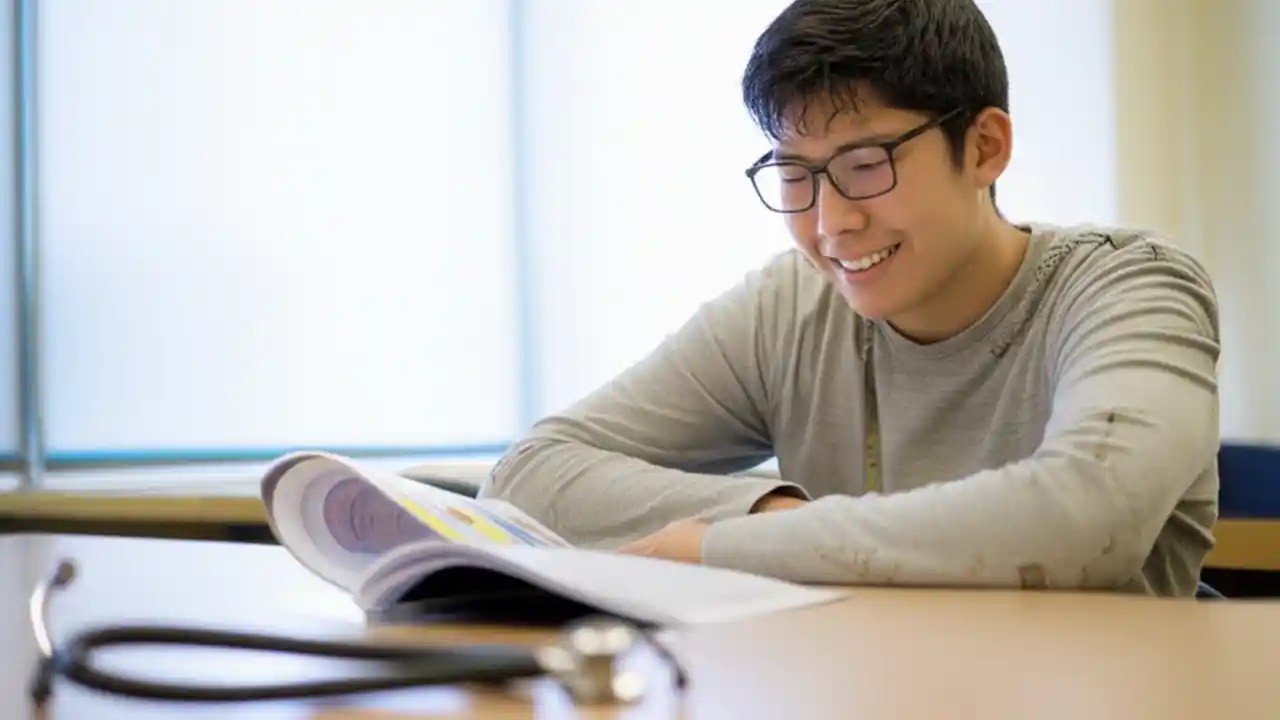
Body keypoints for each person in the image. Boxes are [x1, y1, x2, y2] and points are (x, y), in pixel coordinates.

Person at [477, 0, 1220, 596]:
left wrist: (726, 545)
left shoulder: (1133, 287)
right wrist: (773, 513)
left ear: (985, 147)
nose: (830, 224)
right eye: (795, 173)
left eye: (867, 164)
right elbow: (530, 475)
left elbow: (1090, 514)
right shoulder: (790, 307)